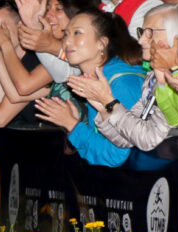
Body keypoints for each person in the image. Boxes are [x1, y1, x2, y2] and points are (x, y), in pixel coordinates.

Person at [70, 3, 178, 151]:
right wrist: (103, 108)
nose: (141, 40)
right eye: (142, 32)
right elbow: (127, 139)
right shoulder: (153, 74)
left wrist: (109, 101)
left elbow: (149, 139)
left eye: (150, 32)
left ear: (175, 35)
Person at [34, 9, 145, 167]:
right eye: (66, 34)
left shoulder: (123, 82)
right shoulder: (91, 80)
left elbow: (116, 155)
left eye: (77, 33)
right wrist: (79, 123)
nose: (67, 42)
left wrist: (72, 124)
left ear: (101, 43)